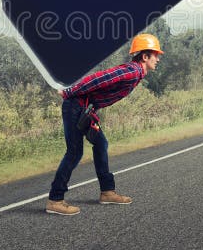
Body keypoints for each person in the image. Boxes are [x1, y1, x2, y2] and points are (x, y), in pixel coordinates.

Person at [45, 33, 163, 216]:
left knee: (101, 144)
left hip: (85, 109)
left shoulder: (137, 73)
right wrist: (69, 92)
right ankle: (55, 200)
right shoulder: (132, 71)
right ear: (145, 56)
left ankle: (107, 192)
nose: (158, 58)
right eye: (156, 54)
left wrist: (92, 111)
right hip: (75, 106)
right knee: (74, 152)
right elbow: (99, 79)